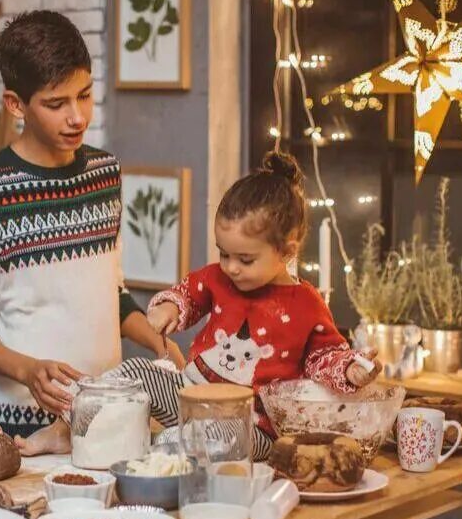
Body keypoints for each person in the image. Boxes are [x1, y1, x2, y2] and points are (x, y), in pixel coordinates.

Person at [0, 10, 180, 455]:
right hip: (11, 428)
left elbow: (112, 291)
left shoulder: (105, 172)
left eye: (85, 95)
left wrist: (154, 338)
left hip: (105, 417)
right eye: (56, 104)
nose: (77, 117)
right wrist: (30, 370)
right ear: (16, 104)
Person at [120, 150, 381, 459]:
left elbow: (325, 356)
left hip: (251, 427)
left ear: (286, 251)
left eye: (245, 259)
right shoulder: (219, 278)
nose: (231, 267)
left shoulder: (306, 305)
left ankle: (170, 445)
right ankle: (82, 417)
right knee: (134, 370)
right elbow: (188, 294)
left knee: (221, 436)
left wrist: (350, 369)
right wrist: (170, 307)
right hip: (190, 396)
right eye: (224, 253)